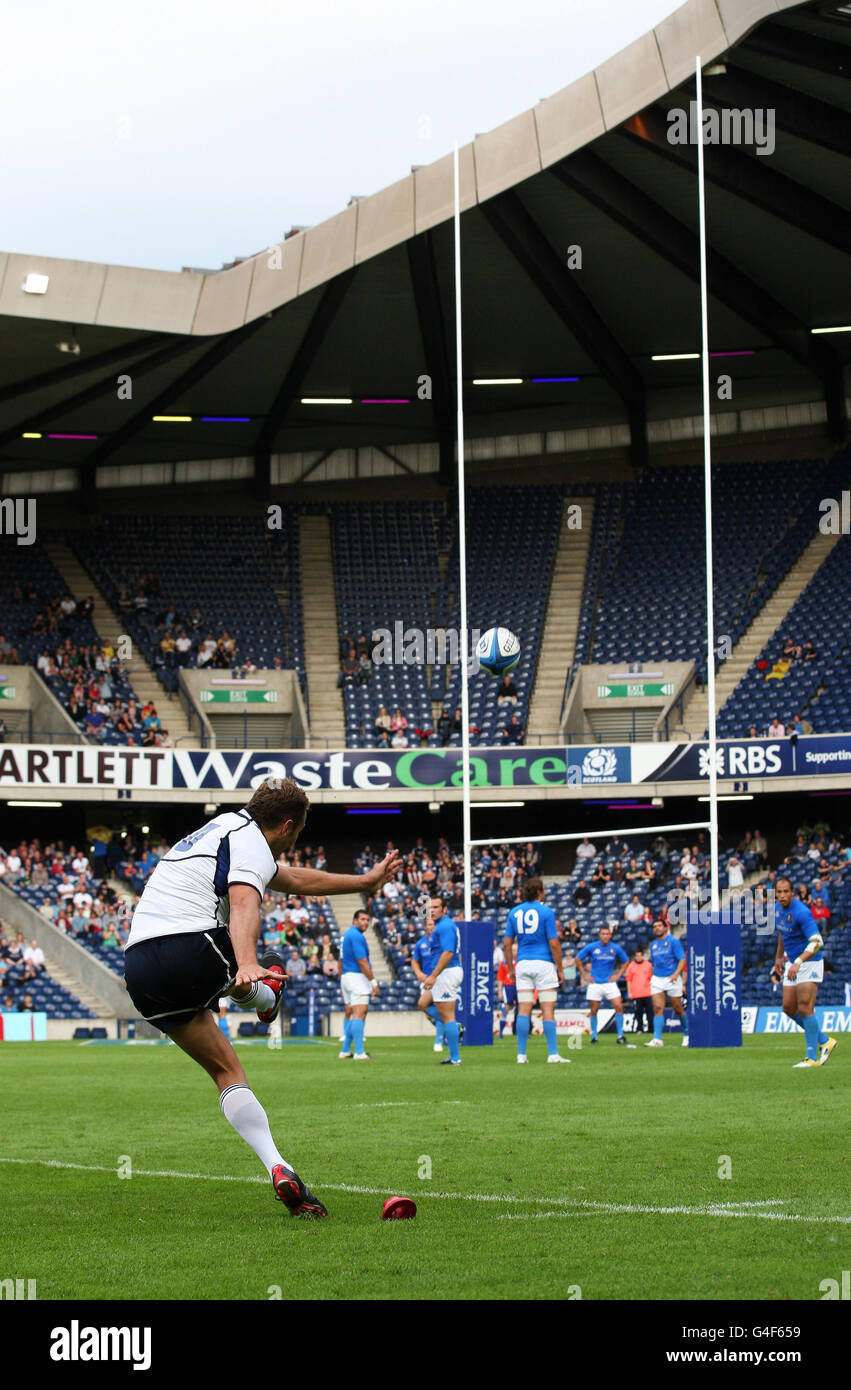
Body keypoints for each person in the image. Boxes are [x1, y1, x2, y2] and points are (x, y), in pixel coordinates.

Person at [122, 778, 400, 1219]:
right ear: (287, 825)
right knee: (261, 963)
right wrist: (248, 962)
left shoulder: (223, 831)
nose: (293, 843)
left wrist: (364, 881)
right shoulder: (249, 838)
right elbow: (244, 902)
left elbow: (293, 878)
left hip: (140, 970)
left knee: (226, 1070)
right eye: (297, 834)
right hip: (190, 945)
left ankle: (280, 1167)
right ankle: (262, 992)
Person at [770, 877, 836, 1068]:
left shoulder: (802, 913)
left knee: (805, 1006)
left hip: (810, 962)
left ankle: (811, 1058)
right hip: (792, 962)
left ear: (792, 893)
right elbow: (783, 932)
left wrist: (798, 962)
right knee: (788, 1007)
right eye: (779, 892)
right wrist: (778, 957)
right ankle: (825, 1040)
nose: (782, 895)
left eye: (785, 892)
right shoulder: (777, 910)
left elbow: (817, 942)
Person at [503, 877, 569, 1064]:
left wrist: (510, 968)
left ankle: (521, 1055)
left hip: (523, 963)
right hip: (543, 963)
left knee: (524, 1008)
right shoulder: (546, 912)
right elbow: (554, 943)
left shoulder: (514, 912)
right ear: (540, 892)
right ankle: (553, 1054)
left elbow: (507, 944)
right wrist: (560, 968)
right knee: (548, 1009)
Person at [420, 896, 463, 1066]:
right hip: (446, 972)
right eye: (430, 907)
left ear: (445, 909)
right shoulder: (443, 926)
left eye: (436, 907)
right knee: (423, 1003)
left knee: (448, 1017)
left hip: (446, 972)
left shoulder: (445, 926)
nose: (432, 910)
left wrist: (433, 975)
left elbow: (448, 953)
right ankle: (456, 1027)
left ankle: (455, 1057)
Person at [338, 909, 380, 1060]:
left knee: (354, 1013)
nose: (365, 923)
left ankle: (345, 1051)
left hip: (347, 977)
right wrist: (373, 983)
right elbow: (362, 961)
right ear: (354, 920)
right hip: (356, 976)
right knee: (359, 1013)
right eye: (362, 919)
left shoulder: (346, 935)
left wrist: (343, 978)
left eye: (367, 920)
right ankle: (359, 1052)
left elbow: (340, 961)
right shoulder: (356, 935)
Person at [577, 926, 628, 1044]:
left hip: (610, 983)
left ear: (610, 935)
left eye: (607, 934)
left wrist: (618, 975)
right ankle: (594, 1036)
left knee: (619, 1006)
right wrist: (585, 975)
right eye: (603, 934)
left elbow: (626, 961)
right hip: (595, 983)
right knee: (594, 1010)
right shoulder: (592, 947)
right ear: (599, 935)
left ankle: (620, 1035)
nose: (605, 936)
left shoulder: (615, 948)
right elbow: (578, 959)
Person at [645, 920, 689, 1048]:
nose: (656, 928)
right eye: (654, 926)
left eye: (659, 926)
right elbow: (654, 963)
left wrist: (676, 974)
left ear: (665, 928)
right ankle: (657, 1039)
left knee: (677, 1007)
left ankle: (687, 1034)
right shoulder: (653, 945)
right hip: (657, 979)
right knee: (658, 1008)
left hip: (672, 978)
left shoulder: (673, 942)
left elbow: (682, 959)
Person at [411, 902, 446, 1054]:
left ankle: (438, 1040)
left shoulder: (441, 940)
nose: (431, 927)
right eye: (429, 924)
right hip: (426, 980)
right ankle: (449, 1027)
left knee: (436, 1006)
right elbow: (414, 960)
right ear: (425, 926)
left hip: (438, 979)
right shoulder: (421, 944)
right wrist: (418, 973)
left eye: (433, 924)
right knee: (427, 1011)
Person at [625, 948, 653, 1034]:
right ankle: (639, 1028)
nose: (639, 957)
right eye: (637, 955)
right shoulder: (631, 966)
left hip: (648, 992)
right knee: (638, 1013)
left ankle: (651, 1029)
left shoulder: (648, 965)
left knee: (650, 1012)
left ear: (642, 956)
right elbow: (628, 980)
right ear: (635, 956)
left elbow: (652, 978)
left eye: (640, 955)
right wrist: (629, 992)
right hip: (636, 994)